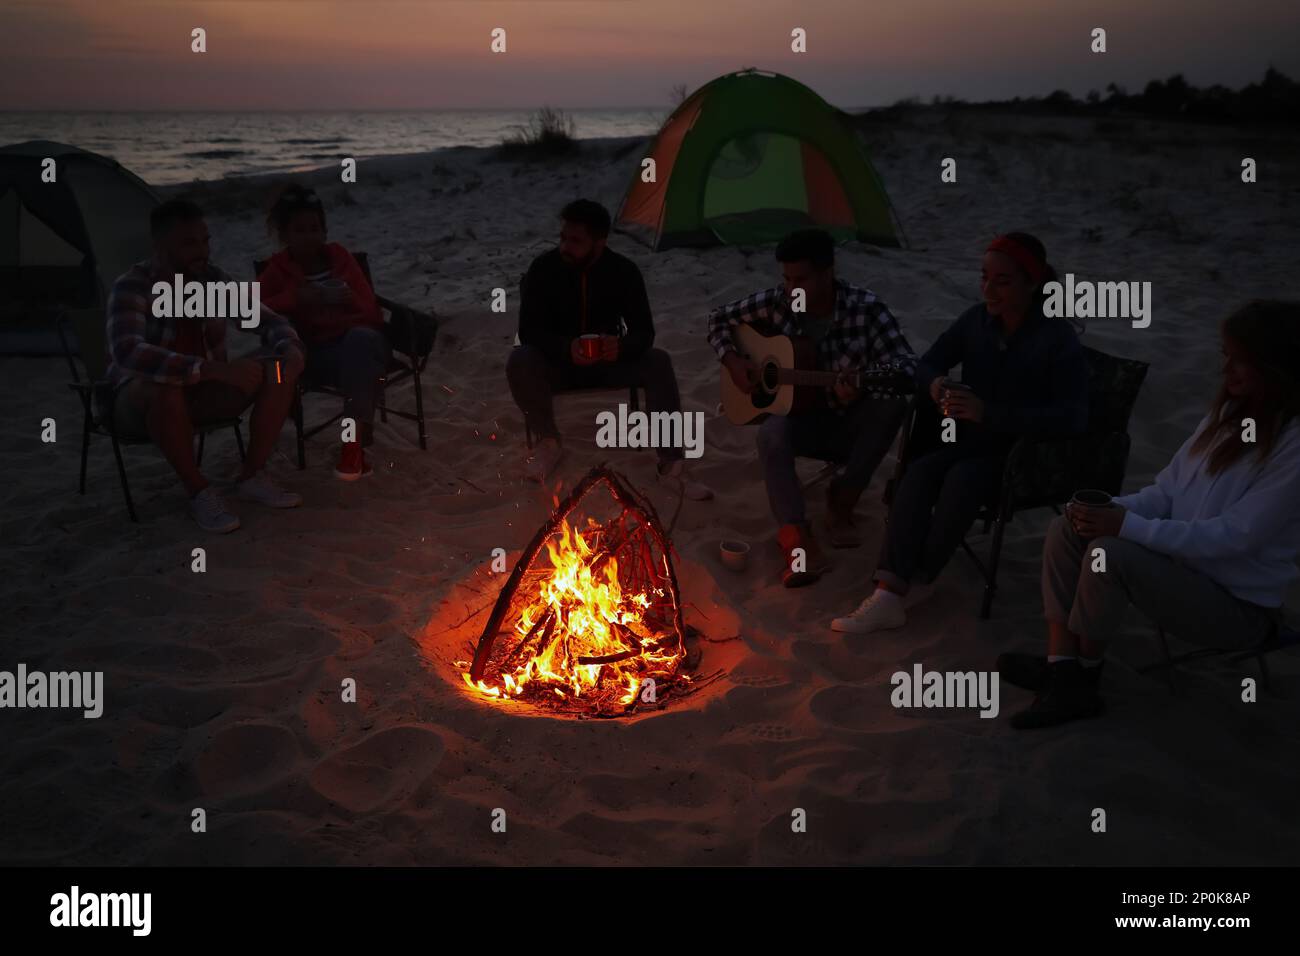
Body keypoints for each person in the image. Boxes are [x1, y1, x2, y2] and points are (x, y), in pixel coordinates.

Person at [1003, 300, 1300, 729]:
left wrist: (1125, 526)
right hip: (1180, 574)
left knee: (1111, 554)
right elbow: (1164, 494)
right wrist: (1107, 509)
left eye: (1242, 360)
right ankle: (1061, 665)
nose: (1226, 369)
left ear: (1277, 367)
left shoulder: (1291, 444)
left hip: (1237, 606)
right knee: (1065, 527)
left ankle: (1082, 683)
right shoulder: (1226, 416)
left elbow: (1237, 537)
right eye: (1225, 355)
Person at [832, 232, 1087, 630]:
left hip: (1023, 455)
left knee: (963, 479)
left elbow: (1072, 417)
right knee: (919, 473)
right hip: (969, 442)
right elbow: (924, 363)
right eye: (984, 277)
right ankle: (888, 591)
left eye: (1002, 281)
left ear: (1032, 284)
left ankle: (918, 579)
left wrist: (991, 413)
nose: (988, 288)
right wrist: (934, 384)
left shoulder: (1056, 338)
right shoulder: (976, 321)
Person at [707, 229, 916, 587]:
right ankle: (797, 540)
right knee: (771, 432)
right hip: (800, 420)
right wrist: (733, 362)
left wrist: (861, 386)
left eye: (800, 279)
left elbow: (908, 367)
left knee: (893, 405)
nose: (791, 289)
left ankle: (843, 499)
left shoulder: (866, 309)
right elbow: (718, 319)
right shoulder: (777, 302)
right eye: (786, 279)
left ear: (828, 272)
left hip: (850, 426)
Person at [106, 199, 306, 533]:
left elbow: (268, 320)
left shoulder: (211, 280)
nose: (201, 251)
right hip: (136, 405)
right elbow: (129, 353)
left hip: (200, 396)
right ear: (160, 246)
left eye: (205, 240)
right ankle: (199, 491)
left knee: (279, 366)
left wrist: (292, 348)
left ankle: (252, 475)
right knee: (164, 386)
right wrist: (212, 369)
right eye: (188, 243)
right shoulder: (133, 285)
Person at [507, 199, 711, 499]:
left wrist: (623, 347)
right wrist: (566, 348)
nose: (565, 246)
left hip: (608, 365)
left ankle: (671, 463)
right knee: (520, 358)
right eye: (563, 237)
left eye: (576, 241)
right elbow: (528, 332)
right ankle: (549, 443)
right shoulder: (544, 269)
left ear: (599, 242)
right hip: (559, 366)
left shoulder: (623, 271)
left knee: (658, 361)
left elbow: (645, 332)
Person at [256, 184, 388, 480]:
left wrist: (348, 300)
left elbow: (372, 312)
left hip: (357, 346)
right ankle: (355, 442)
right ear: (284, 235)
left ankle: (352, 443)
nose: (310, 236)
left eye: (315, 228)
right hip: (314, 354)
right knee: (359, 351)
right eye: (300, 230)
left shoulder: (340, 258)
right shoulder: (278, 270)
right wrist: (297, 298)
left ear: (325, 231)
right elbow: (251, 311)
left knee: (361, 340)